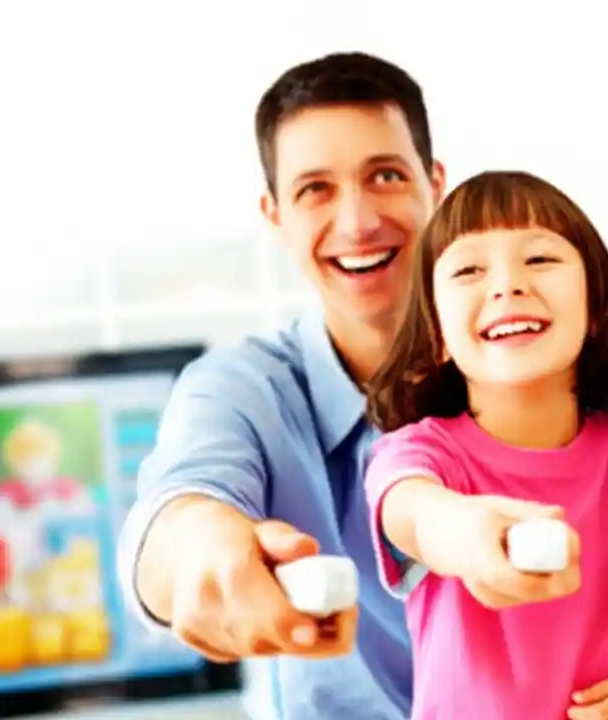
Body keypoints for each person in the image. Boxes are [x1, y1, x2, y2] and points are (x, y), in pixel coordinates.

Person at [115, 51, 446, 720]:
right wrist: (203, 550)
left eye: (384, 175)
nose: (356, 221)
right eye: (315, 189)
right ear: (275, 215)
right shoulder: (241, 390)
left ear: (433, 185)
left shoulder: (542, 359)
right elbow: (178, 512)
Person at [363, 170, 608, 720]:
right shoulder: (420, 458)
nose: (507, 286)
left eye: (540, 260)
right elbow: (414, 512)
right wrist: (463, 532)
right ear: (435, 335)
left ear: (597, 306)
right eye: (470, 269)